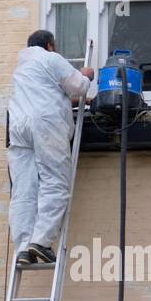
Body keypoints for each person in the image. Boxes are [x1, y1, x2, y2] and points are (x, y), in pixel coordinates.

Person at [7, 30, 95, 266]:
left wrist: (75, 99)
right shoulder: (50, 58)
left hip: (18, 128)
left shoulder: (22, 68)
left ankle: (23, 248)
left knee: (24, 189)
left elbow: (51, 95)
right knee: (55, 181)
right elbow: (77, 86)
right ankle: (42, 242)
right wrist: (86, 75)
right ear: (50, 45)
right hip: (46, 125)